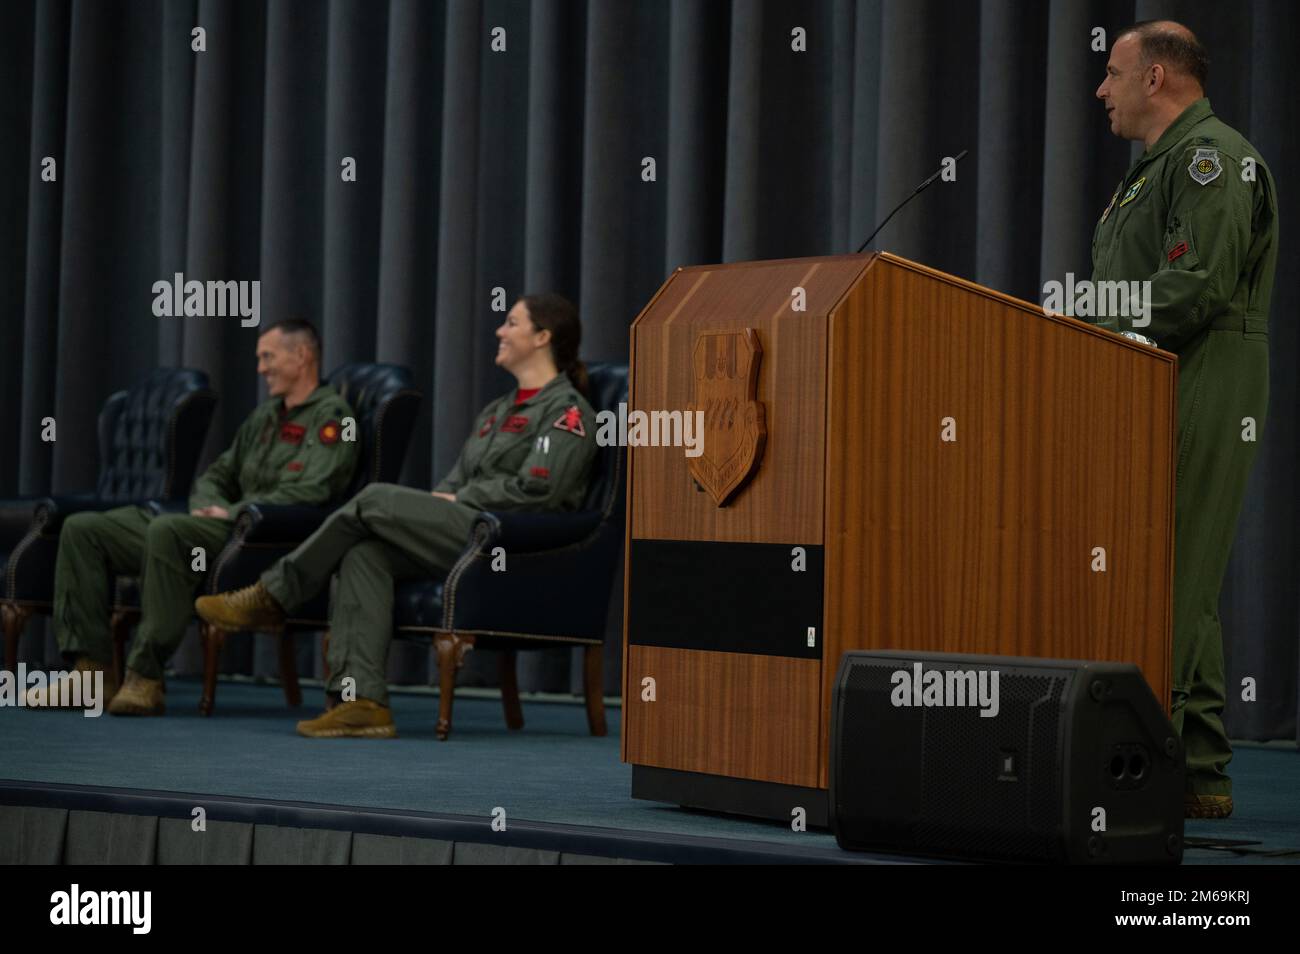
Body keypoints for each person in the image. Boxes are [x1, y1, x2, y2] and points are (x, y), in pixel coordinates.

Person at [195, 293, 597, 738]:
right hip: (463, 533)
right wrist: (448, 498)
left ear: (543, 337)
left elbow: (539, 491)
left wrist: (460, 497)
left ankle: (273, 595)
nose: (500, 331)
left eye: (511, 323)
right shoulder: (495, 412)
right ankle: (361, 701)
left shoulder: (569, 413)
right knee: (365, 553)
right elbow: (451, 482)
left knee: (374, 499)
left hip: (506, 543)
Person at [1090, 21, 1278, 818]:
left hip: (1206, 368)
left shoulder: (1212, 159)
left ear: (1156, 78)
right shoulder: (1151, 170)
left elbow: (1197, 285)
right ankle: (1196, 767)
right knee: (1171, 570)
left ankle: (1157, 764)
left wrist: (1084, 323)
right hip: (1153, 369)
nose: (1102, 90)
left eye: (1113, 72)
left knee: (1175, 570)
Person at [26, 319, 358, 715]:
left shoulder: (335, 418)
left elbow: (315, 489)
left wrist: (232, 512)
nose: (260, 368)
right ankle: (90, 674)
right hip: (214, 526)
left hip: (261, 539)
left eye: (268, 357)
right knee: (84, 529)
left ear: (301, 356)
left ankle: (145, 676)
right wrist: (211, 505)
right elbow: (216, 475)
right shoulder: (265, 416)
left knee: (169, 530)